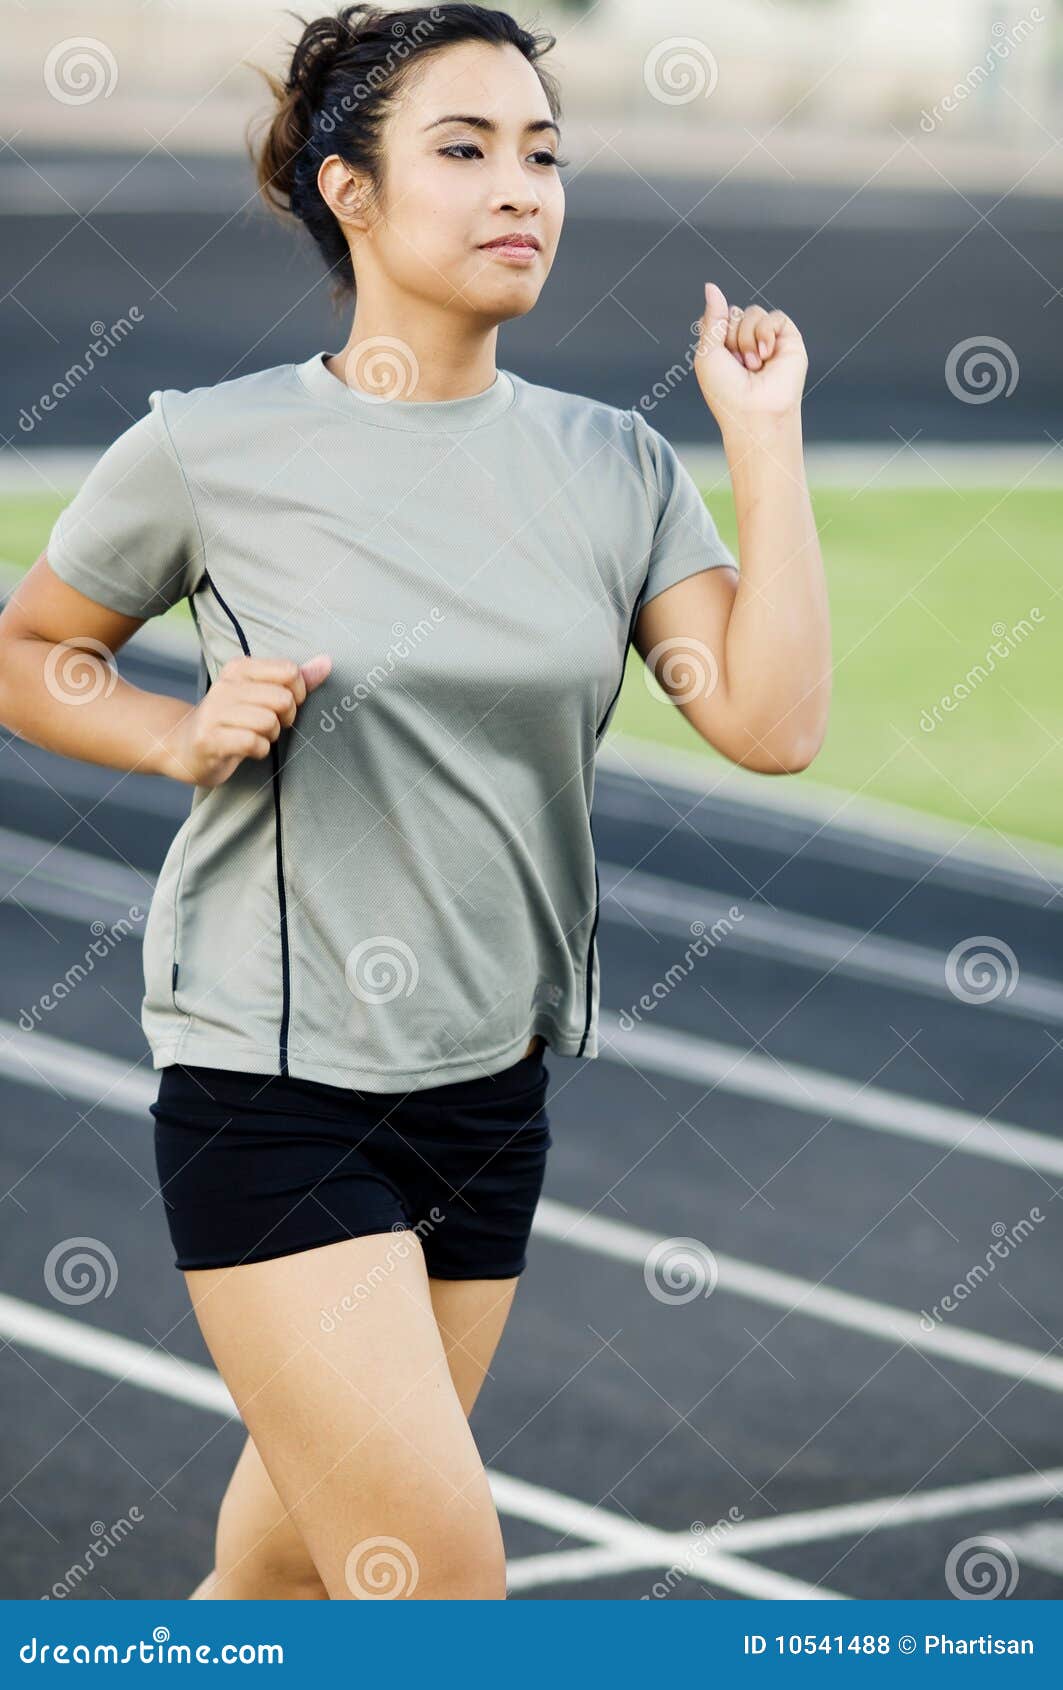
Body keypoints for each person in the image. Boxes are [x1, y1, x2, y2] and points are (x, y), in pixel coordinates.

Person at [0, 2, 829, 1601]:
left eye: (543, 154)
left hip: (487, 1091)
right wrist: (174, 733)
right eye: (464, 149)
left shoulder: (617, 467)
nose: (521, 187)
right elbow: (34, 651)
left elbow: (772, 723)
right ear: (351, 191)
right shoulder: (211, 447)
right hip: (276, 1085)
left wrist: (767, 439)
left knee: (286, 1581)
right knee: (440, 1592)